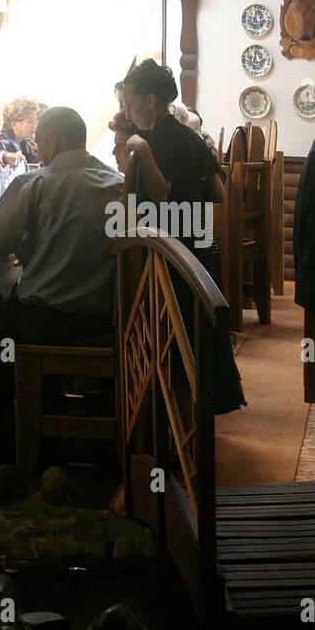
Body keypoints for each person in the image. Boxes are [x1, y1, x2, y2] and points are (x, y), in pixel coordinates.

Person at [115, 59, 246, 415]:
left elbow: (161, 194)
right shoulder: (190, 135)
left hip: (174, 251)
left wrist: (140, 151)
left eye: (131, 103)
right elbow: (219, 194)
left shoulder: (158, 140)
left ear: (152, 99)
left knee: (178, 333)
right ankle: (195, 411)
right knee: (199, 332)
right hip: (201, 245)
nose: (128, 111)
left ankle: (176, 420)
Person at [0, 106, 124, 344]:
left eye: (38, 142)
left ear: (53, 140)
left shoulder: (32, 185)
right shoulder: (119, 185)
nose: (38, 153)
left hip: (43, 322)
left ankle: (16, 377)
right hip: (104, 322)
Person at [0, 97, 41, 175]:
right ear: (14, 124)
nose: (35, 125)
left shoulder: (26, 144)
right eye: (30, 121)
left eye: (35, 120)